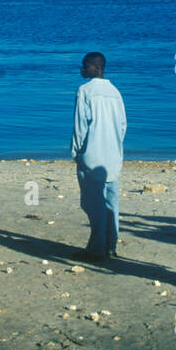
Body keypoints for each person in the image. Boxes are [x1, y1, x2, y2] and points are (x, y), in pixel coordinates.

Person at [70, 52, 127, 262]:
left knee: (94, 205)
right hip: (113, 156)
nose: (81, 69)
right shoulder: (115, 92)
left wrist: (76, 152)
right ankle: (110, 246)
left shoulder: (85, 91)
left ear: (95, 67)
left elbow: (80, 126)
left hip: (91, 156)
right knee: (111, 204)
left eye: (84, 66)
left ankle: (96, 249)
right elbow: (122, 127)